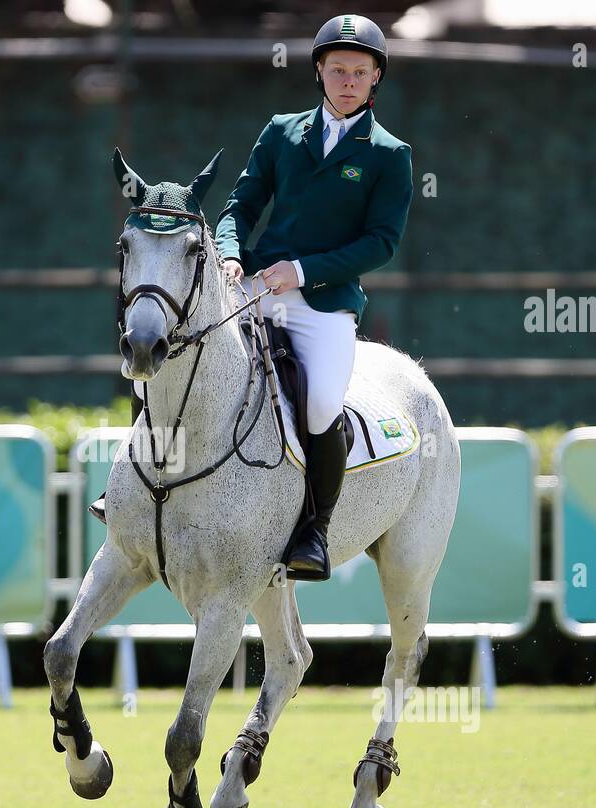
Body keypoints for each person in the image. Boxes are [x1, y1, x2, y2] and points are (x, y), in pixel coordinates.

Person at [212, 13, 414, 580]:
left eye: (359, 71)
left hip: (324, 302)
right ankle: (138, 484)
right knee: (177, 350)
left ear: (375, 79)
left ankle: (314, 529)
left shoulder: (389, 155)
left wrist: (300, 271)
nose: (347, 80)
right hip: (253, 286)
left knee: (322, 403)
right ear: (319, 73)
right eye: (337, 69)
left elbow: (381, 243)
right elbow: (241, 206)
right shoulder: (281, 131)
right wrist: (230, 251)